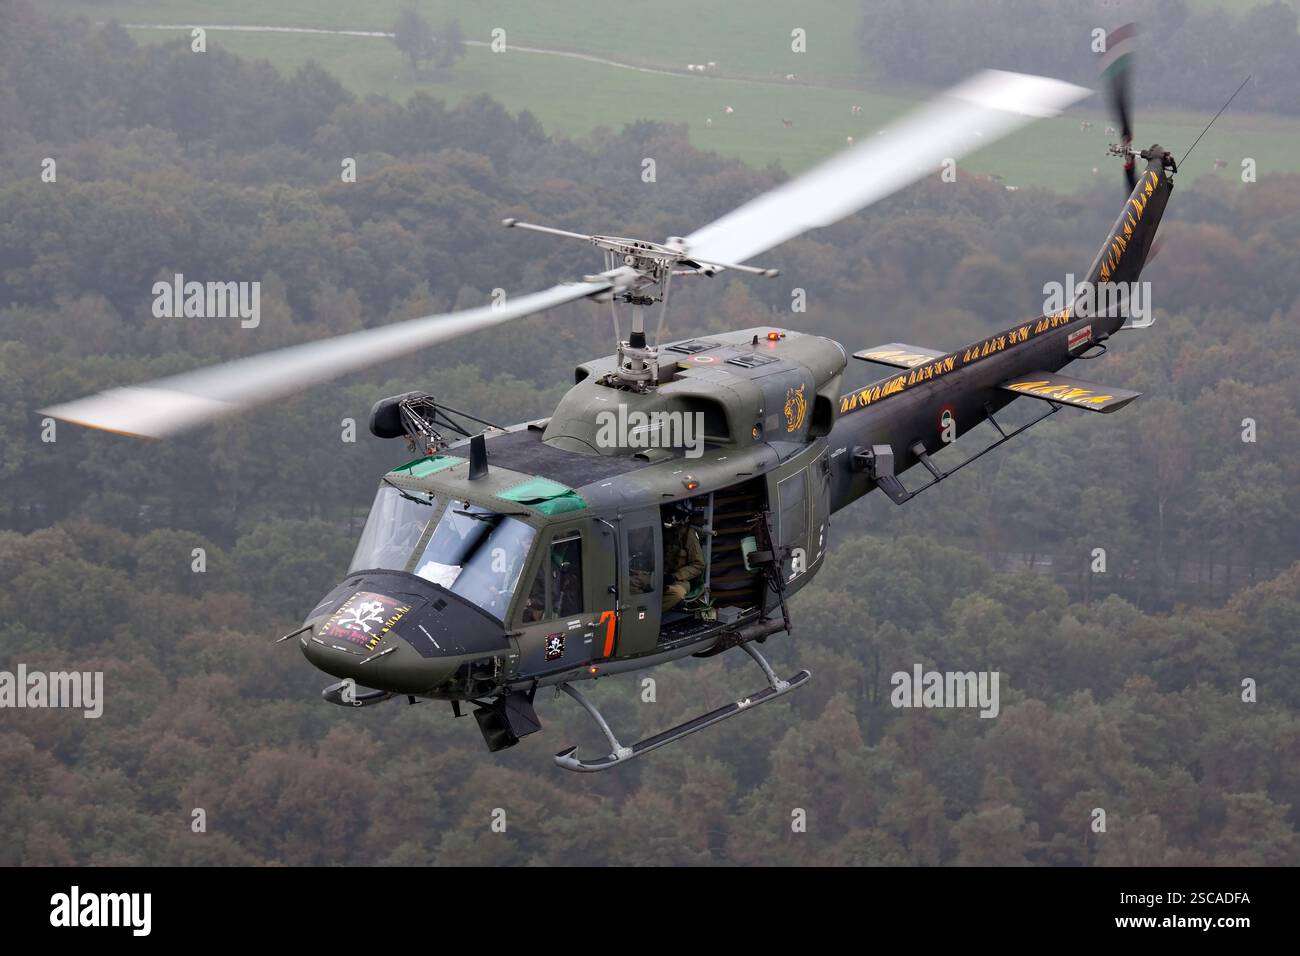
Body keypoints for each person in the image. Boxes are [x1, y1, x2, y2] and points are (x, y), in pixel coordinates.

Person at [662, 507, 704, 612]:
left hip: (679, 579)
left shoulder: (687, 534)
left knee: (677, 593)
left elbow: (698, 565)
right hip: (655, 575)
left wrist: (675, 576)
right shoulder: (659, 531)